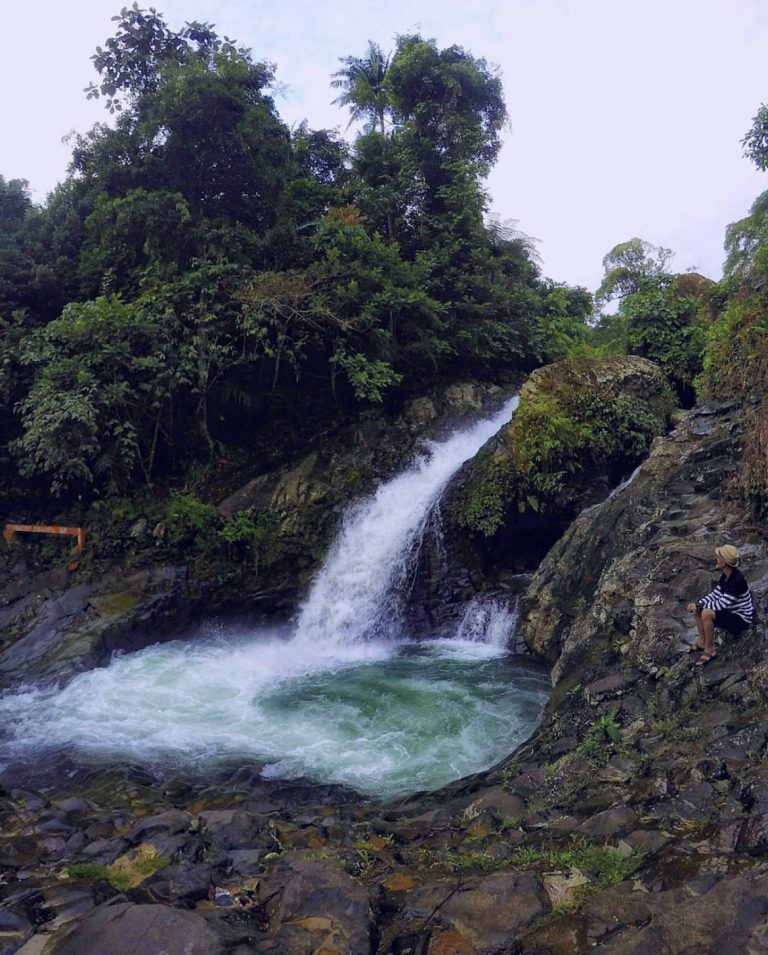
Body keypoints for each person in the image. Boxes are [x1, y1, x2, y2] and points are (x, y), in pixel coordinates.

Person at [686, 544, 753, 666]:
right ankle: (703, 641)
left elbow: (722, 604)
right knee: (699, 609)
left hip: (741, 617)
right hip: (730, 611)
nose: (716, 559)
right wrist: (698, 605)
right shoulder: (726, 575)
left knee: (706, 613)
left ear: (724, 562)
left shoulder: (737, 579)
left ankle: (710, 649)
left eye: (718, 557)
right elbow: (716, 594)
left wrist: (701, 607)